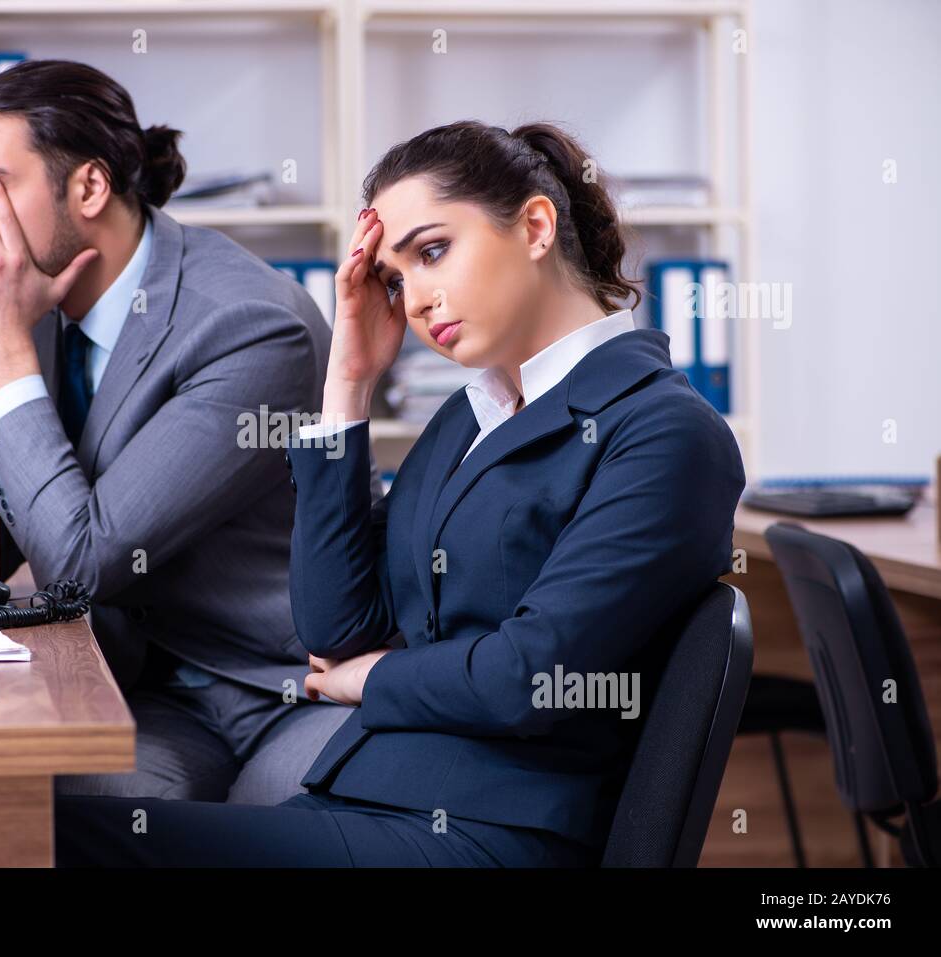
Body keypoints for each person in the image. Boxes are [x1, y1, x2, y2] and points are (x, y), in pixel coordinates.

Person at [54, 120, 747, 866]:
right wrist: (347, 386)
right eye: (395, 277)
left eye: (433, 251)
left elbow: (534, 676)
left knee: (44, 840)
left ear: (537, 226)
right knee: (26, 826)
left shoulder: (664, 431)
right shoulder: (467, 418)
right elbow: (337, 628)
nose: (413, 300)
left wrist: (374, 677)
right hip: (371, 793)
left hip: (492, 830)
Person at [0, 59, 363, 806]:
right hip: (140, 681)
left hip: (281, 688)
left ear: (89, 188)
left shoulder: (251, 326)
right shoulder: (37, 304)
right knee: (42, 810)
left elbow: (83, 562)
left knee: (260, 844)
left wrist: (1, 340)